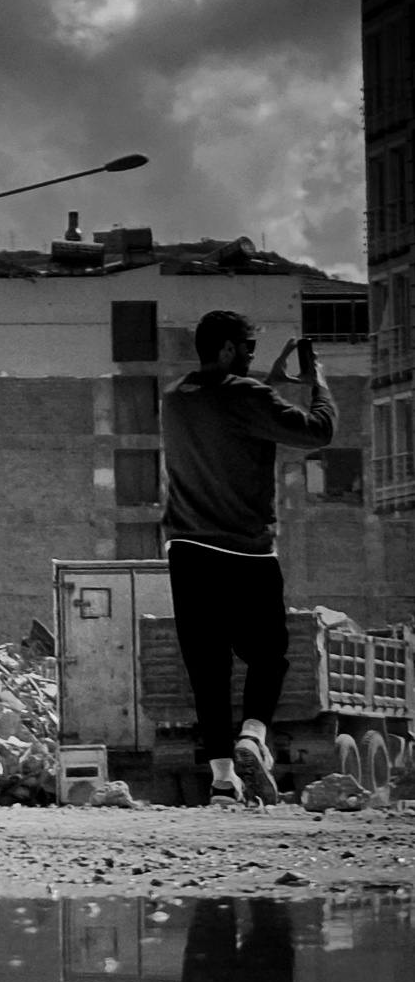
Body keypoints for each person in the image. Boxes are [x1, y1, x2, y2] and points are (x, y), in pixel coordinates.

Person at [158, 306, 334, 799]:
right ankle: (254, 736)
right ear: (230, 348)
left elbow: (225, 408)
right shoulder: (249, 396)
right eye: (249, 349)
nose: (254, 358)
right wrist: (318, 382)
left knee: (207, 668)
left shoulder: (173, 399)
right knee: (269, 655)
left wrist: (268, 386)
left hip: (188, 551)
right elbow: (319, 430)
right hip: (246, 553)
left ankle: (222, 781)